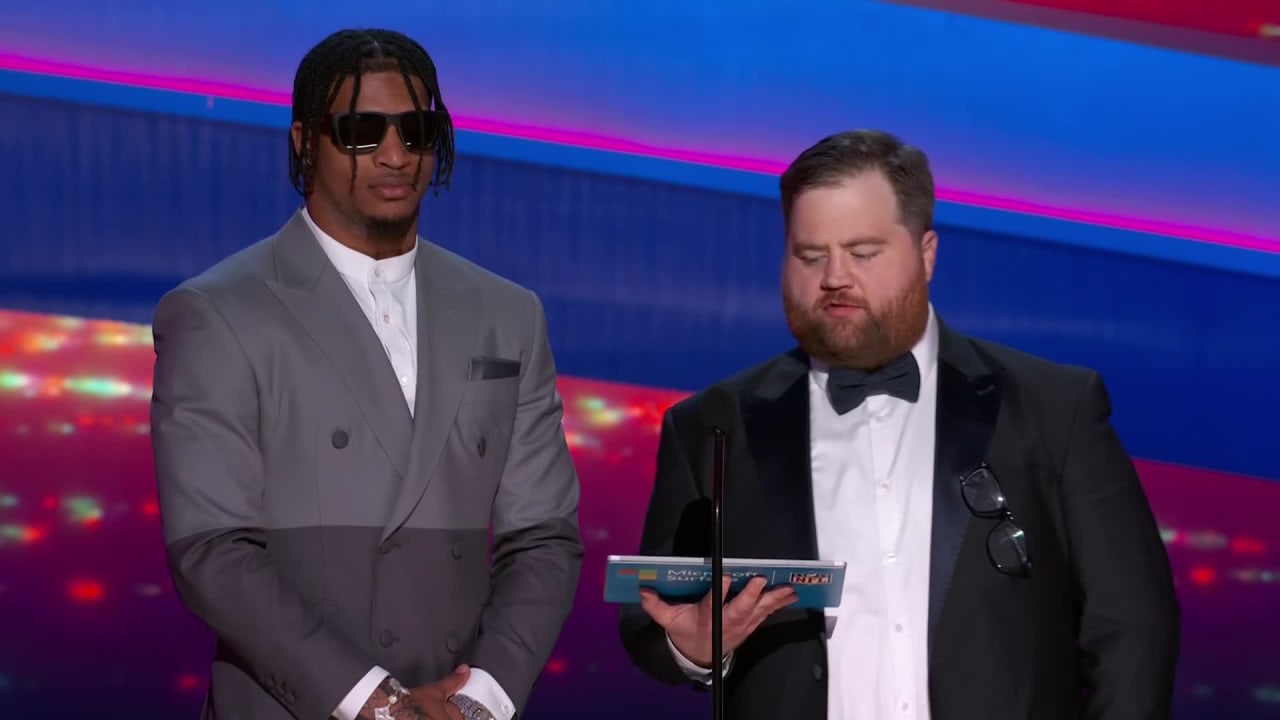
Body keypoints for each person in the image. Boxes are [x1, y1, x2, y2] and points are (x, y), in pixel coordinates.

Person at [618, 129, 1180, 719]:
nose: (834, 277)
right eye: (811, 256)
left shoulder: (1053, 408)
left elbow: (1133, 626)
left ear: (927, 253)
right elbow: (653, 619)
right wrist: (692, 643)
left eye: (862, 253)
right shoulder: (712, 425)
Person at [151, 28, 582, 720]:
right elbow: (213, 550)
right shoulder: (217, 312)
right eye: (360, 130)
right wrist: (375, 704)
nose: (394, 153)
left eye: (415, 130)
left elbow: (543, 535)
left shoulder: (509, 313)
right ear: (303, 140)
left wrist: (481, 699)